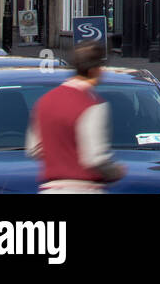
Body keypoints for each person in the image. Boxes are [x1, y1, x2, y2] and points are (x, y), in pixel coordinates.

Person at [25, 41, 126, 194]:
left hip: (50, 188)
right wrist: (116, 172)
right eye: (101, 67)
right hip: (84, 188)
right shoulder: (91, 105)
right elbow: (94, 158)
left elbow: (33, 148)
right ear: (94, 70)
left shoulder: (44, 102)